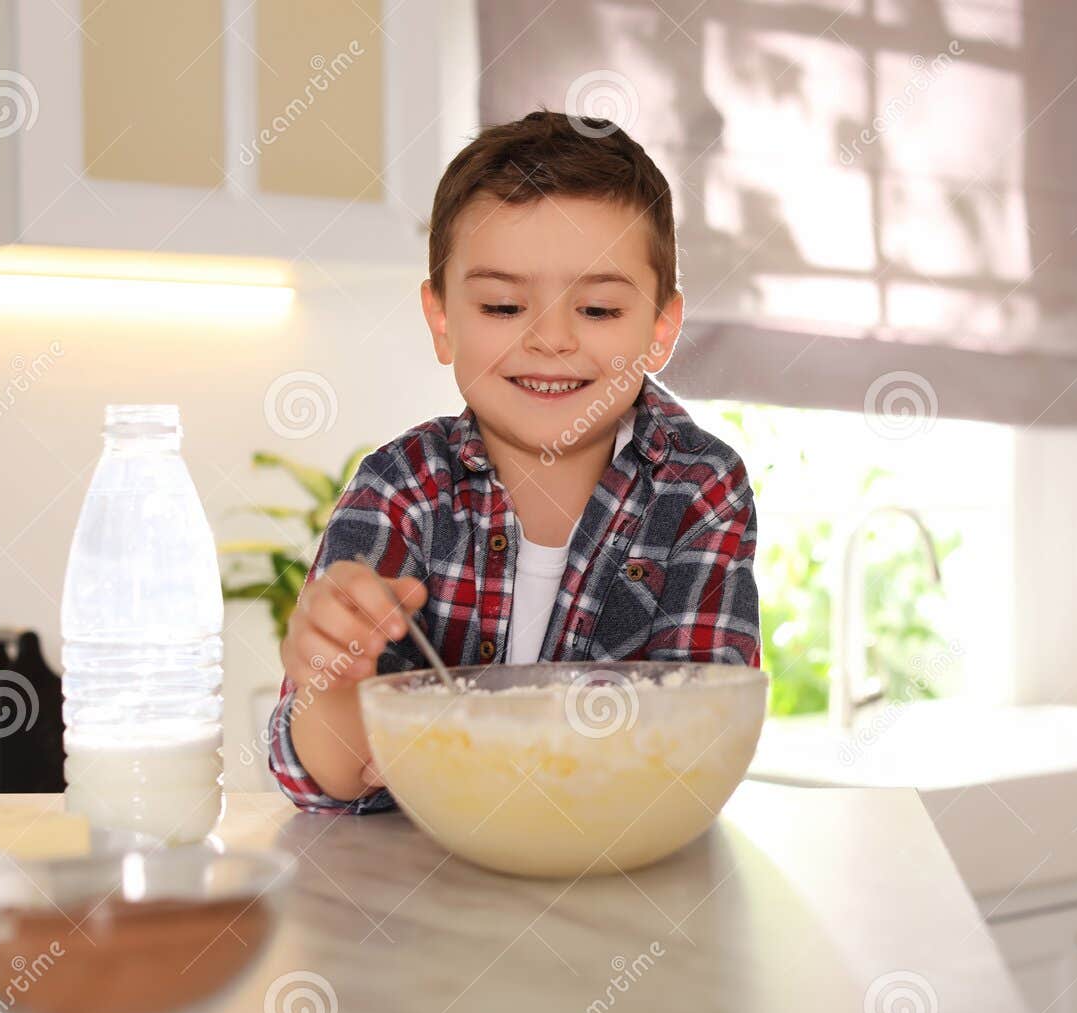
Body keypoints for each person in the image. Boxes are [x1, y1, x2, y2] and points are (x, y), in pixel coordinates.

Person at [266, 109, 760, 812]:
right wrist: (336, 682)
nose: (551, 338)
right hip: (425, 895)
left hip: (622, 887)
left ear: (661, 328)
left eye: (596, 310)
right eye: (503, 305)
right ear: (442, 320)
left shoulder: (702, 488)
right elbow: (320, 776)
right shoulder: (402, 488)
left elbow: (702, 742)